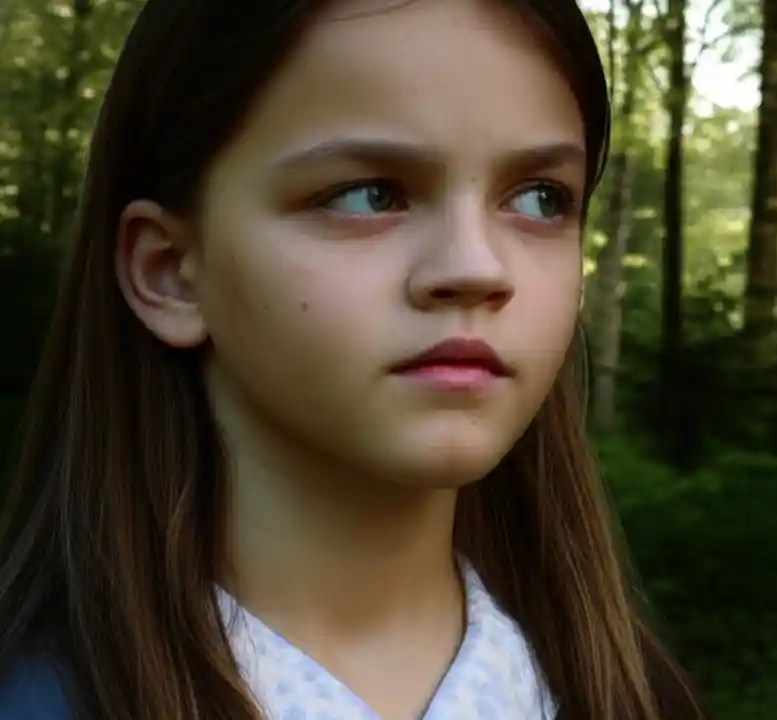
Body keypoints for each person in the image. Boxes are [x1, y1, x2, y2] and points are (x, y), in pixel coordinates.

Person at [0, 0, 706, 718]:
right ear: (171, 271)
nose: (477, 266)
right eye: (370, 196)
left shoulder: (645, 701)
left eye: (539, 198)